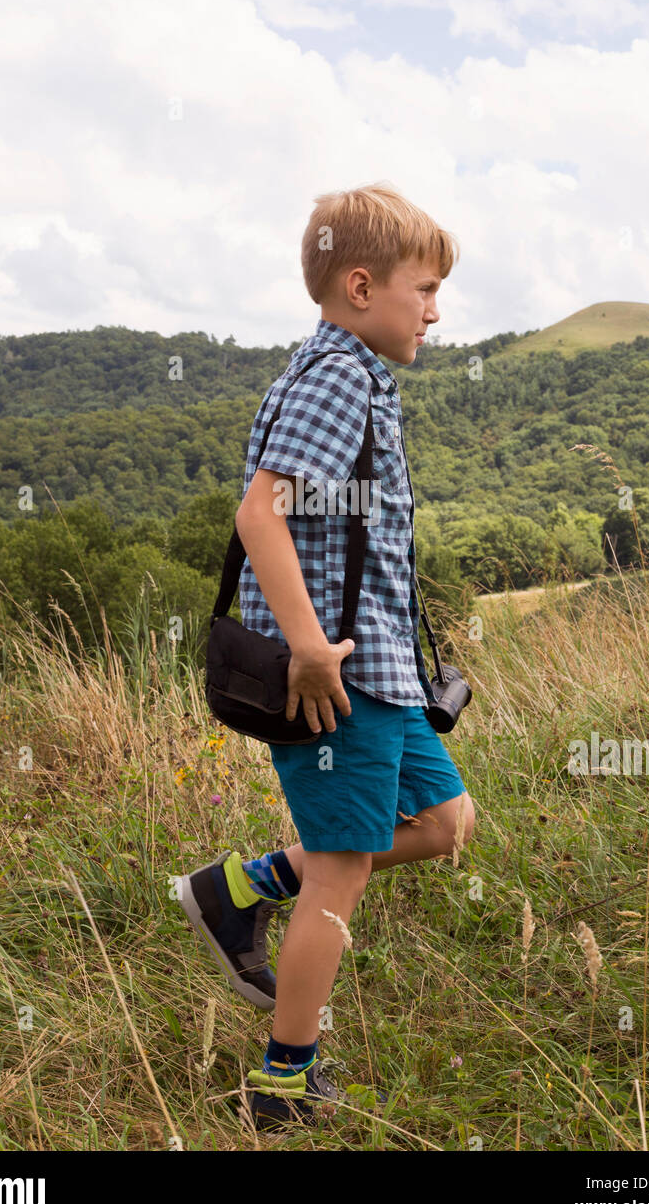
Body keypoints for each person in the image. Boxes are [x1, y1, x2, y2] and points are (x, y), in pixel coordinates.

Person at [180, 182, 476, 1127]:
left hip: (380, 671)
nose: (434, 310)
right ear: (360, 285)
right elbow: (261, 512)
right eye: (422, 290)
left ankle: (246, 884)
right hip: (338, 680)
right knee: (342, 870)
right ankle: (282, 1085)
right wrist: (309, 649)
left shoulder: (351, 372)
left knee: (444, 820)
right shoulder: (340, 375)